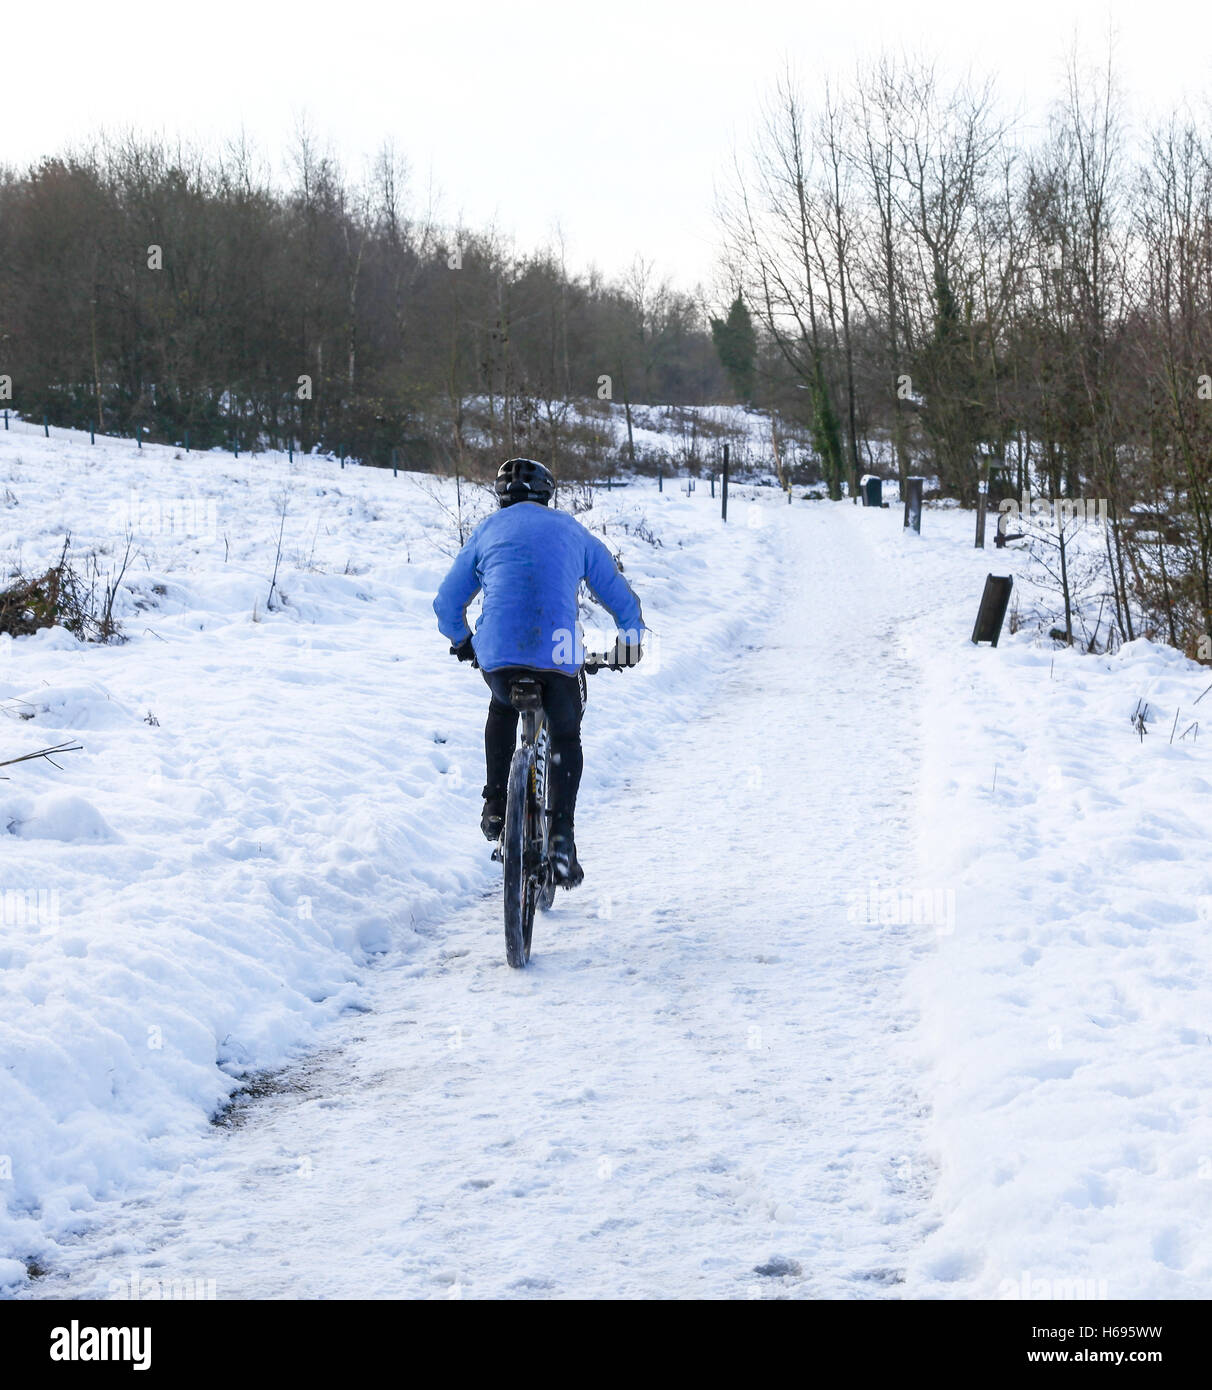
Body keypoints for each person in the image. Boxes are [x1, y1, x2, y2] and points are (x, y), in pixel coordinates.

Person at [433, 458, 644, 887]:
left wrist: (463, 640)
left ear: (501, 497)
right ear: (547, 494)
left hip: (498, 653)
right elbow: (619, 597)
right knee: (567, 733)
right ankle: (562, 839)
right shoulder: (571, 531)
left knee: (500, 705)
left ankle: (495, 803)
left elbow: (445, 603)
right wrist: (629, 644)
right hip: (559, 655)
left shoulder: (486, 531)